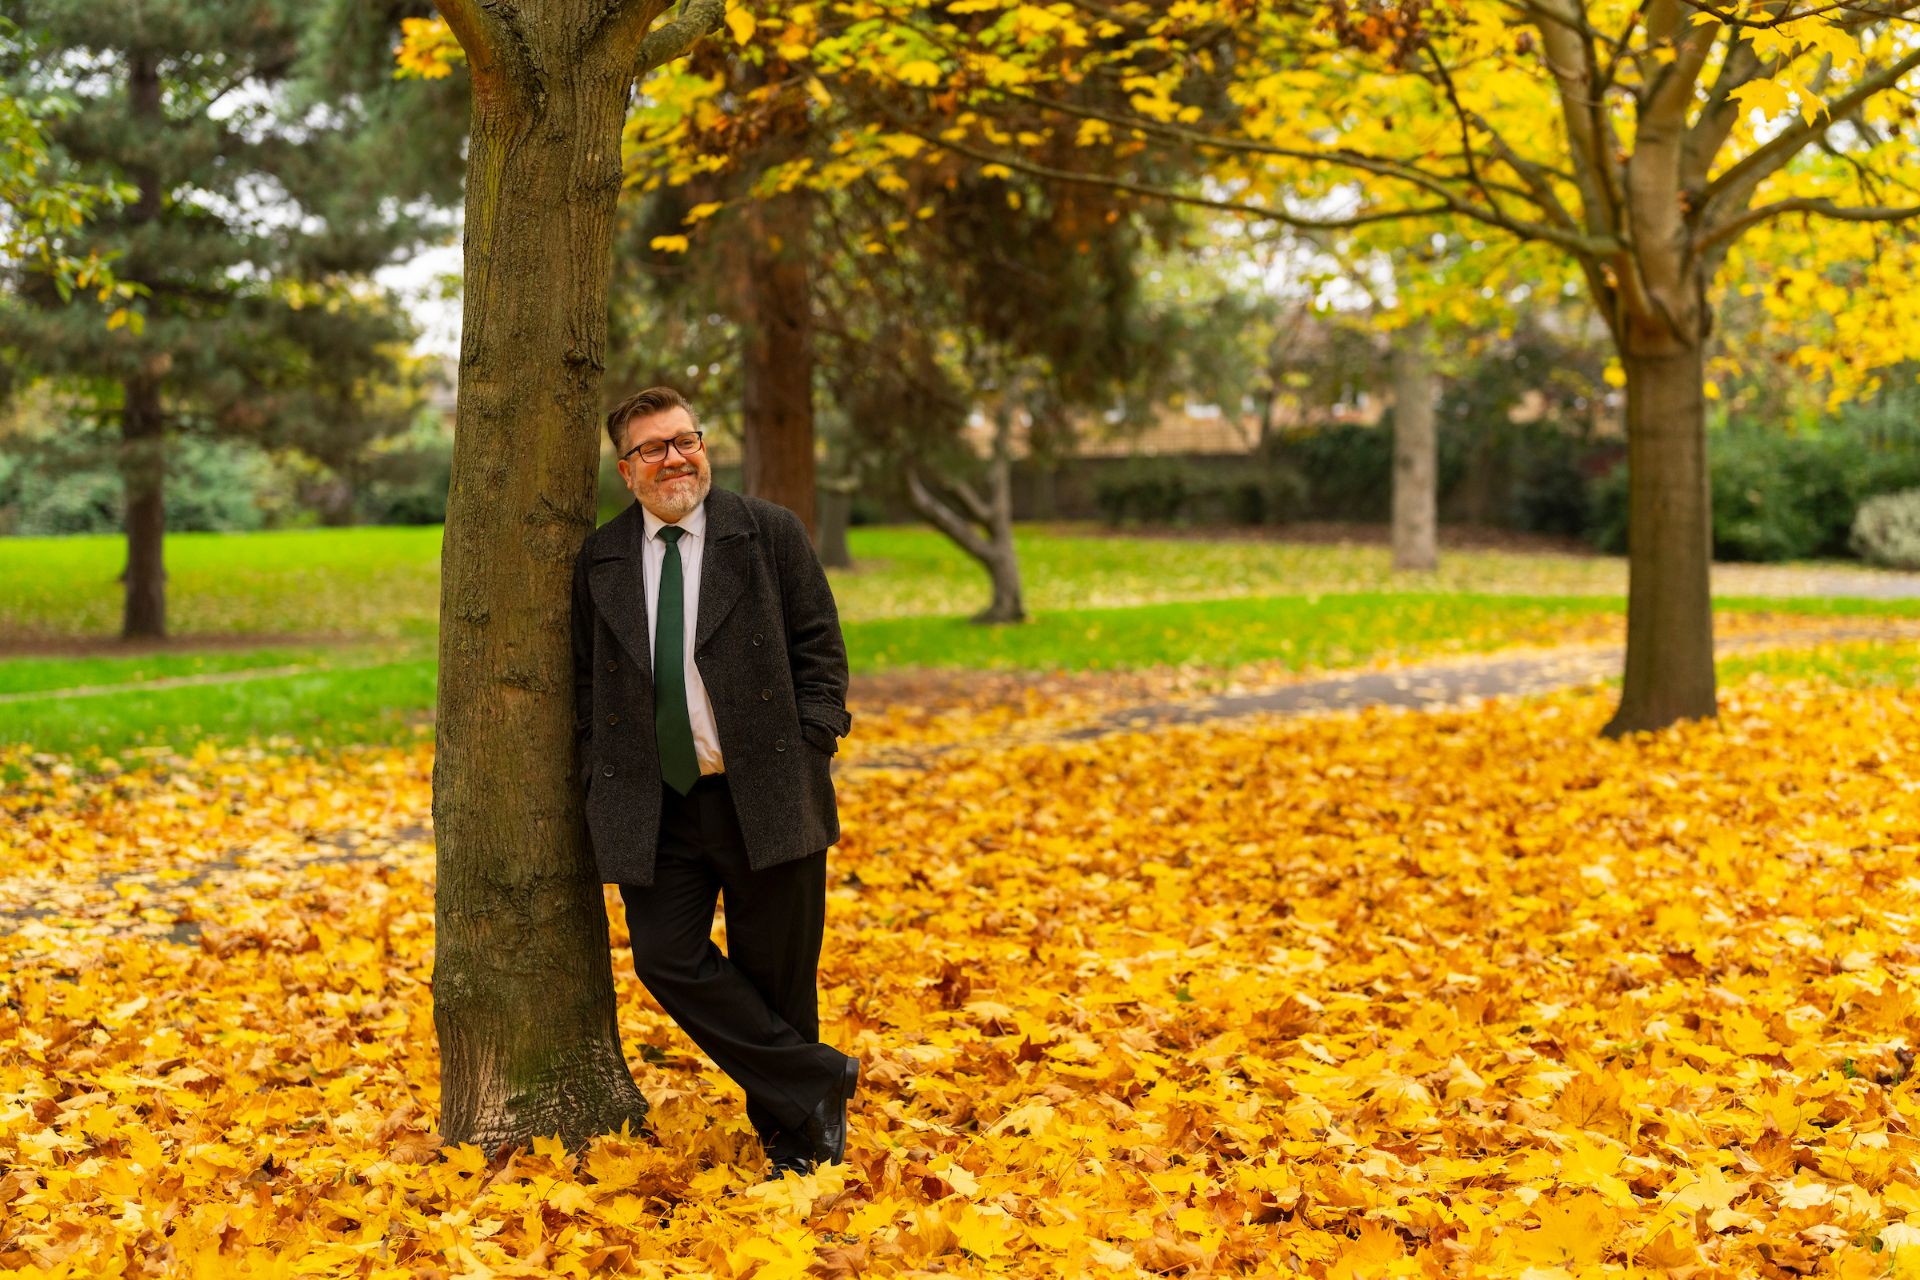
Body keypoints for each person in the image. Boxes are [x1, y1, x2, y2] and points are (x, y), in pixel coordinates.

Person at [570, 386, 858, 1179]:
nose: (675, 458)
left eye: (685, 440)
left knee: (778, 977)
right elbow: (589, 682)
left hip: (766, 792)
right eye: (653, 448)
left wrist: (811, 743)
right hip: (656, 805)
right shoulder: (601, 558)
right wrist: (598, 769)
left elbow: (820, 647)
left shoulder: (767, 533)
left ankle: (797, 1143)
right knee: (666, 958)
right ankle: (818, 1077)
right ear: (626, 470)